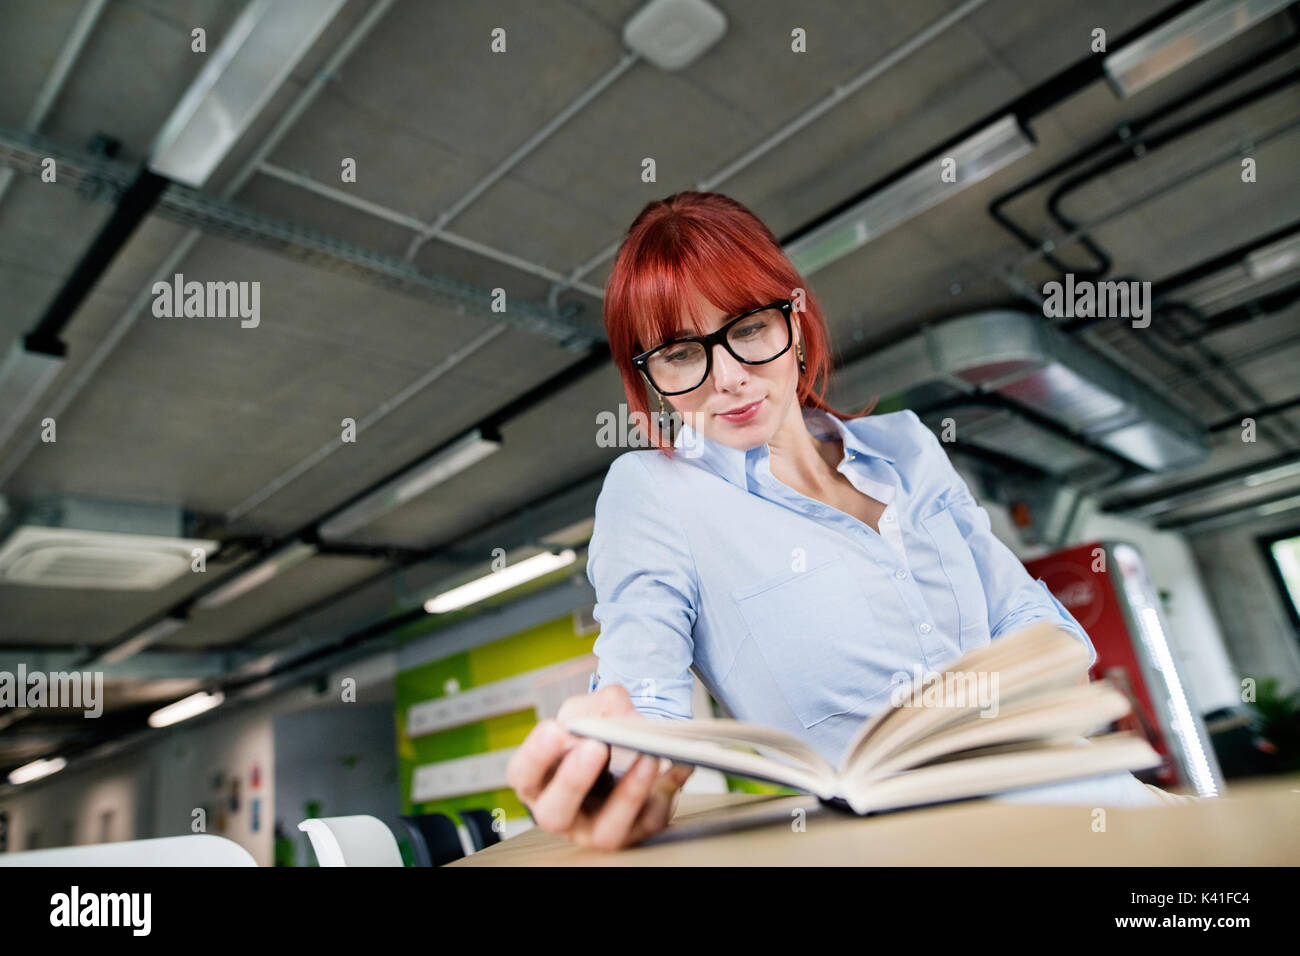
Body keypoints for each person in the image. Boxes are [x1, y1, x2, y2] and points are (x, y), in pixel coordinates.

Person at [506, 191, 1180, 851]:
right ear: (650, 376)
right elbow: (645, 700)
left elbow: (1043, 628)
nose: (729, 378)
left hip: (1095, 805)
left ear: (793, 325)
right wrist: (617, 774)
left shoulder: (908, 449)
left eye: (747, 330)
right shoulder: (654, 494)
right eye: (682, 353)